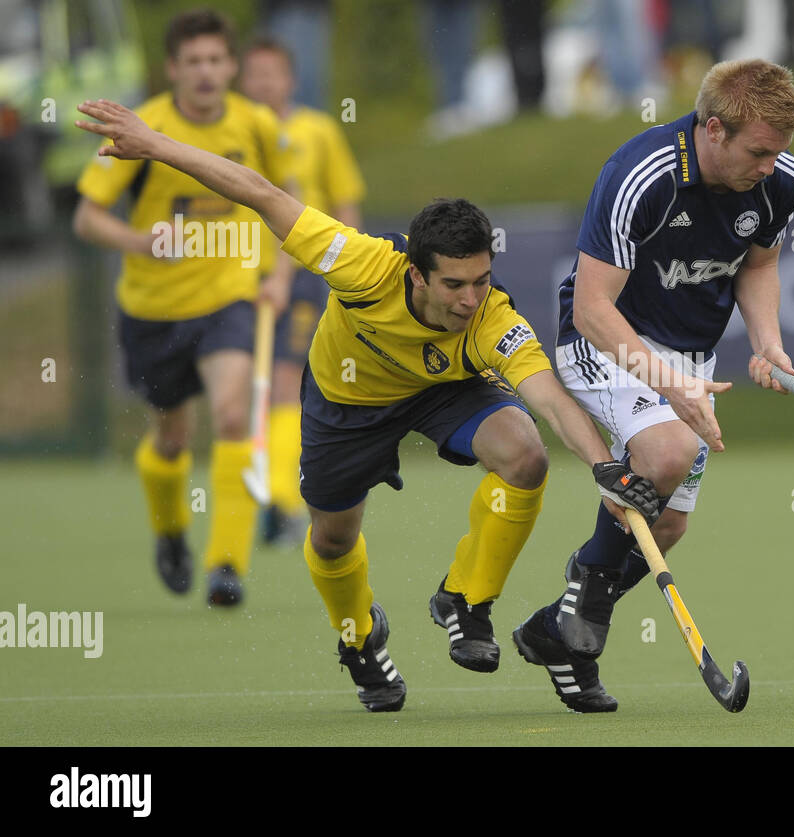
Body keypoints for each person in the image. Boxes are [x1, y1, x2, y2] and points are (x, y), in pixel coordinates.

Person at [74, 97, 663, 713]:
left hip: (443, 391)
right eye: (454, 285)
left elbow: (550, 398)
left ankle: (465, 600)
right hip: (347, 403)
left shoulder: (492, 318)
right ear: (416, 274)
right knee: (332, 540)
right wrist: (155, 143)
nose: (470, 299)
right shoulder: (359, 264)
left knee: (525, 456)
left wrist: (605, 467)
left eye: (482, 280)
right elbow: (256, 190)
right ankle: (360, 638)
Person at [514, 58, 794, 712]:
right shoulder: (641, 176)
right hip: (605, 337)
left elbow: (758, 265)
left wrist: (768, 342)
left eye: (779, 152)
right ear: (712, 129)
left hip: (690, 356)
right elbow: (592, 305)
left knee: (666, 524)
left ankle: (564, 628)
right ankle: (589, 593)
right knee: (666, 454)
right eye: (758, 150)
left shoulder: (778, 178)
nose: (770, 165)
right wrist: (669, 383)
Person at [72, 9, 295, 606]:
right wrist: (138, 242)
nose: (205, 72)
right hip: (153, 307)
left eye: (215, 60)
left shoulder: (256, 125)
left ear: (231, 66)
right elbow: (87, 217)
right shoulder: (141, 131)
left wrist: (280, 271)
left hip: (229, 299)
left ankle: (227, 564)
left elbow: (285, 200)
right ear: (172, 69)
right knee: (171, 437)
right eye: (192, 61)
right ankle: (171, 530)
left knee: (230, 415)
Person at [240, 35, 367, 547]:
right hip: (239, 274)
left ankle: (282, 501)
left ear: (291, 79)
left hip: (303, 271)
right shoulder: (234, 130)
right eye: (254, 74)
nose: (264, 82)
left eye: (274, 72)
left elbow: (346, 200)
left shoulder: (317, 130)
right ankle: (270, 495)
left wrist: (352, 267)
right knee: (249, 384)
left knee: (288, 377)